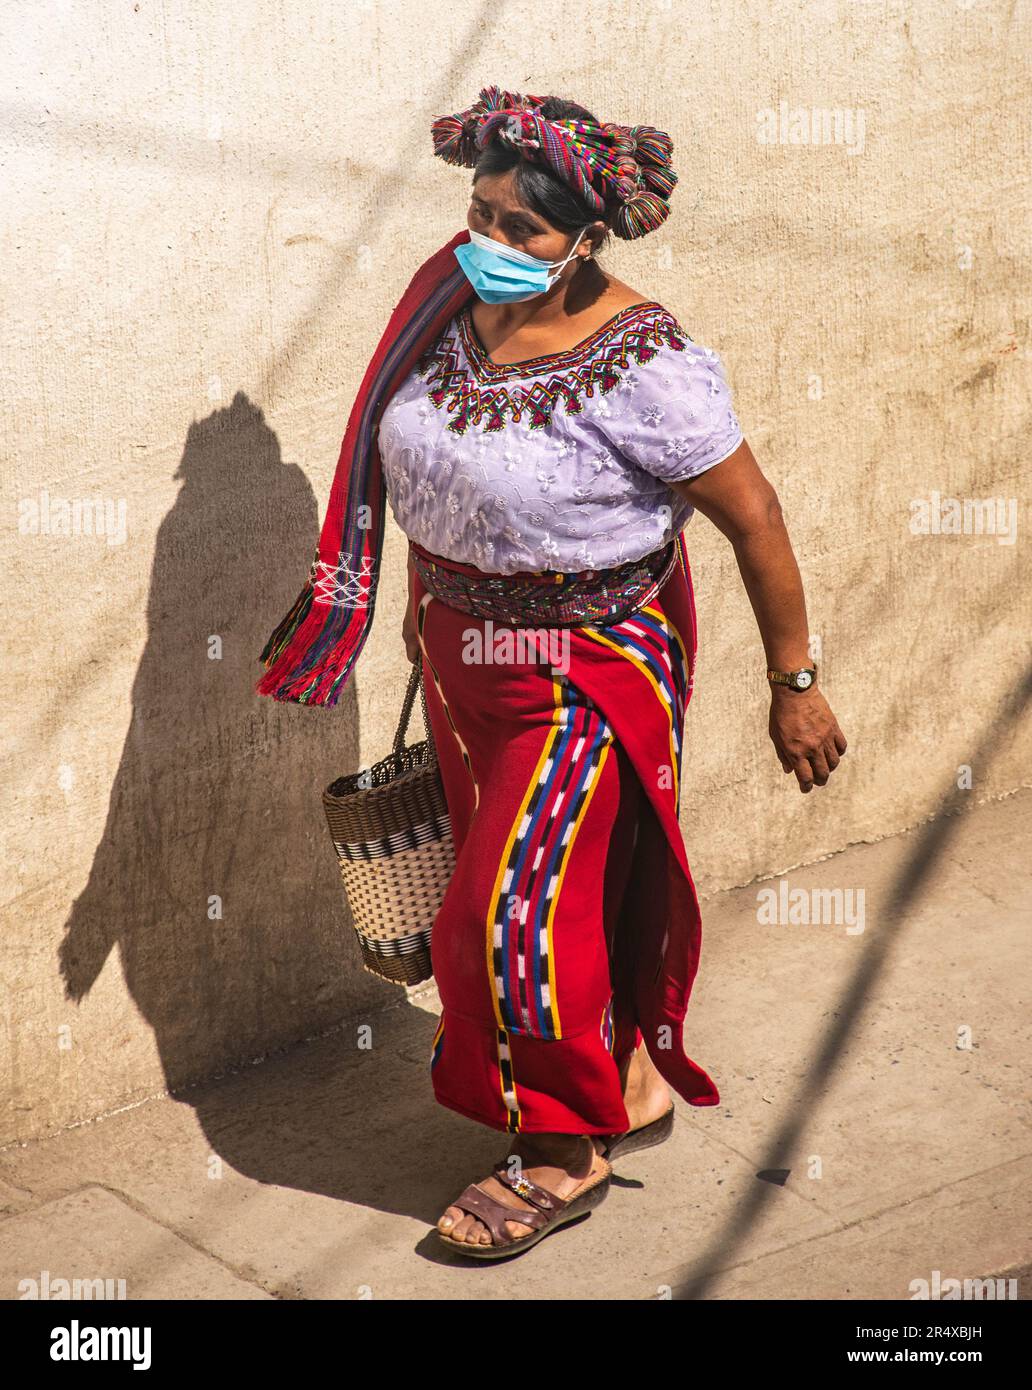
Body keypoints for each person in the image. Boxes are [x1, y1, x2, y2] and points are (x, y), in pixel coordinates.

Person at [255, 85, 847, 1261]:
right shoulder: (447, 299)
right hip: (465, 657)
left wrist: (796, 683)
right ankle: (619, 1070)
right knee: (560, 899)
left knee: (505, 914)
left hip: (585, 666)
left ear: (588, 240)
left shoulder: (649, 362)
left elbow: (756, 517)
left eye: (522, 232)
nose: (490, 246)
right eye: (479, 215)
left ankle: (563, 1150)